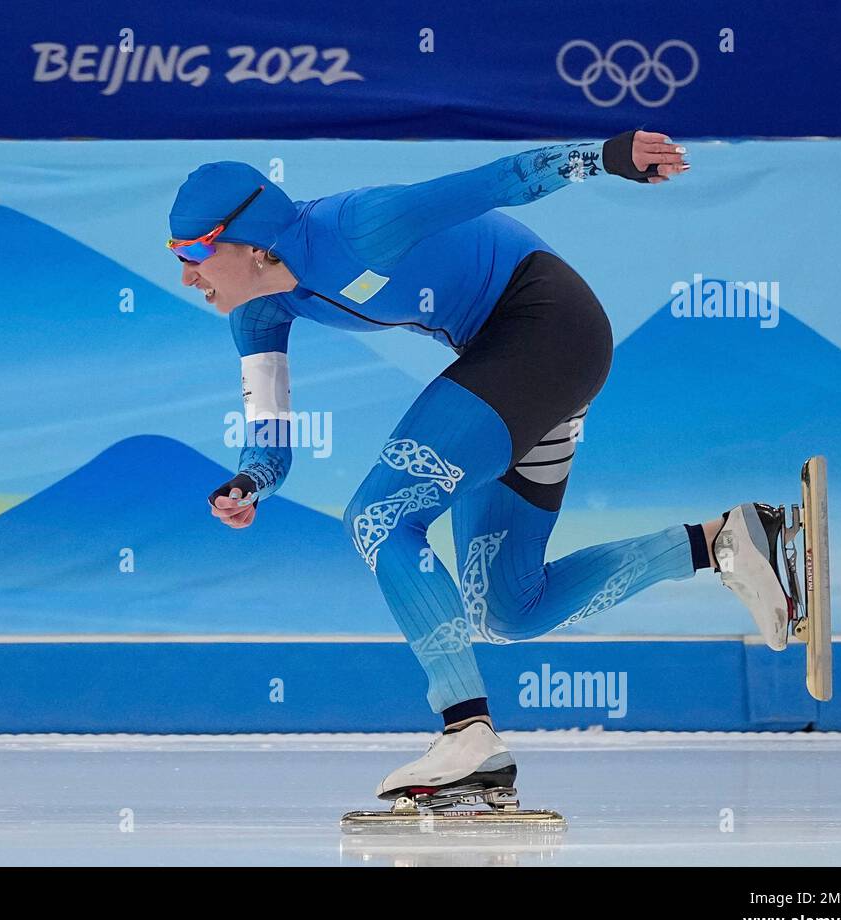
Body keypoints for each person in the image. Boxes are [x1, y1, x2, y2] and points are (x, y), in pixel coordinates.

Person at [167, 132, 791, 801]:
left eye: (195, 252)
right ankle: (722, 544)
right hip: (515, 362)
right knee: (507, 609)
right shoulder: (259, 310)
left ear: (254, 243)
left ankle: (466, 733)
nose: (186, 275)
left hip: (547, 325)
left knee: (379, 517)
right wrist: (251, 481)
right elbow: (270, 440)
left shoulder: (354, 228)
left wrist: (607, 156)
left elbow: (494, 181)